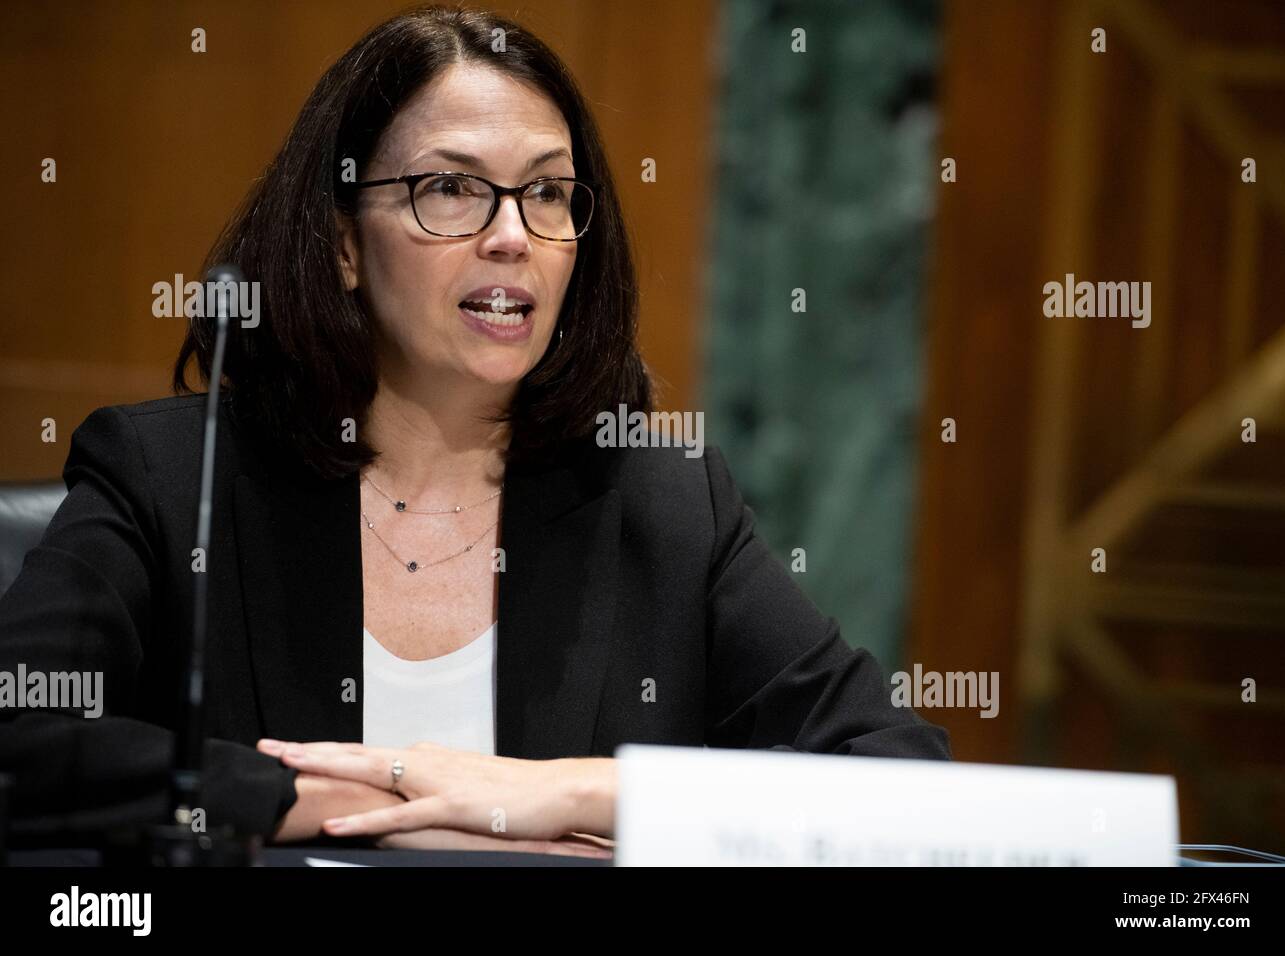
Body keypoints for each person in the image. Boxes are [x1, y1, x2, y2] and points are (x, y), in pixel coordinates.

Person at [0, 4, 949, 857]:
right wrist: (335, 800)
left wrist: (559, 792)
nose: (512, 235)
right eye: (451, 190)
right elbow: (22, 736)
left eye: (546, 193)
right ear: (341, 244)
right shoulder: (171, 479)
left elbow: (897, 776)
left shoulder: (664, 504)